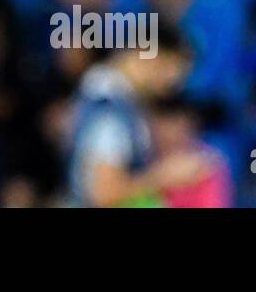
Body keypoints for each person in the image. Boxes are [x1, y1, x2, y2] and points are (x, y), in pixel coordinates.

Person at [67, 25, 211, 207]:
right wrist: (165, 175)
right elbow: (103, 194)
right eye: (174, 69)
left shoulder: (121, 102)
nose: (176, 83)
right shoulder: (108, 109)